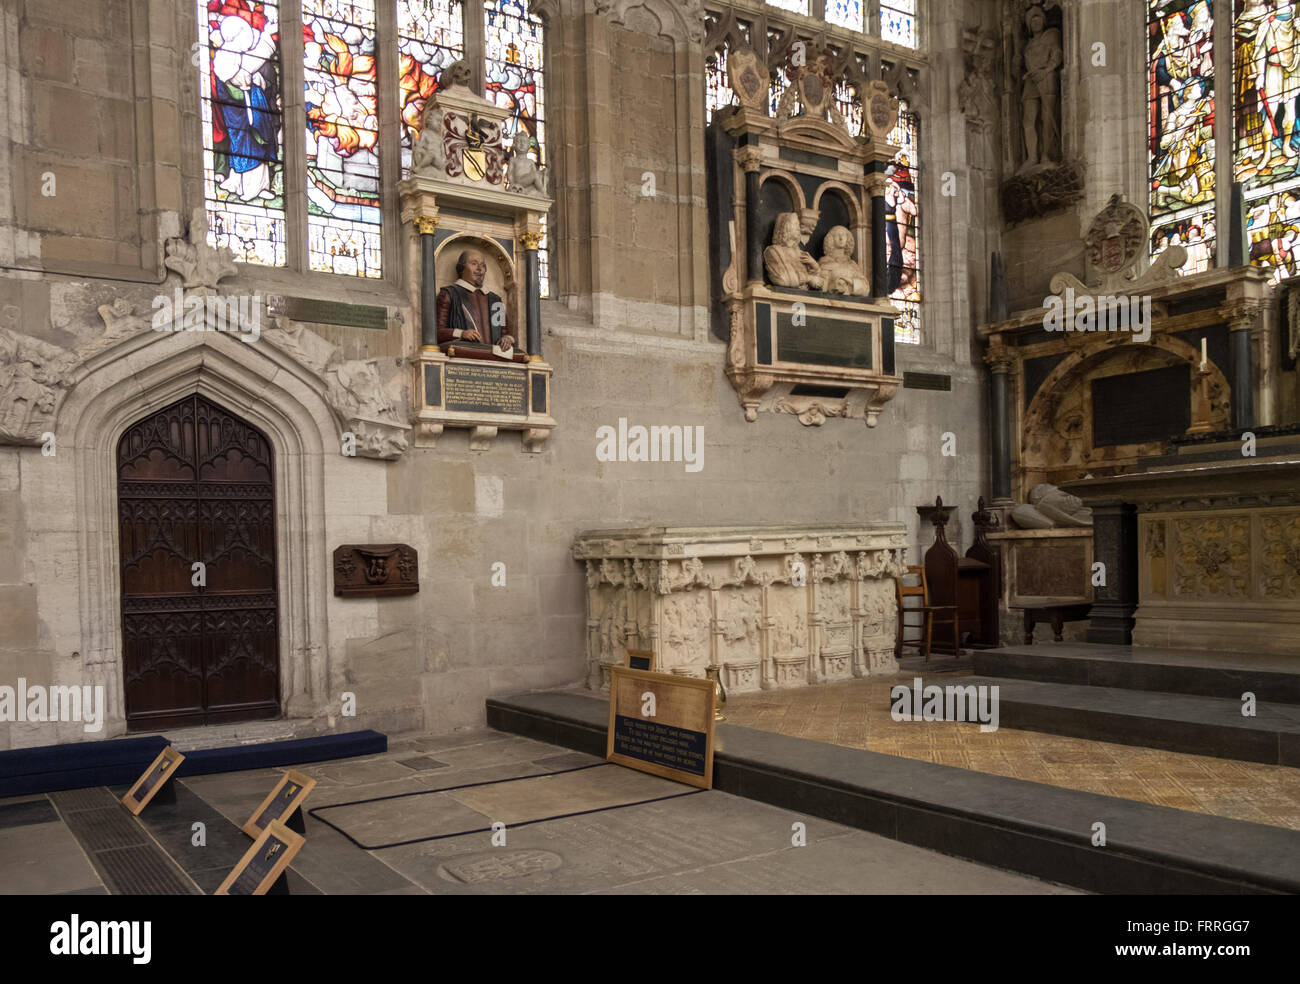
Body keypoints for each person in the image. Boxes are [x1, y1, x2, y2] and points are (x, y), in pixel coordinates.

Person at [435, 249, 519, 359]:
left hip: (493, 359)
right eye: (474, 264)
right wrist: (461, 333)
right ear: (461, 268)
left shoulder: (495, 300)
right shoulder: (449, 294)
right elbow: (436, 332)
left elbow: (503, 332)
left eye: (483, 265)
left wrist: (507, 339)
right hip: (462, 359)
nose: (479, 269)